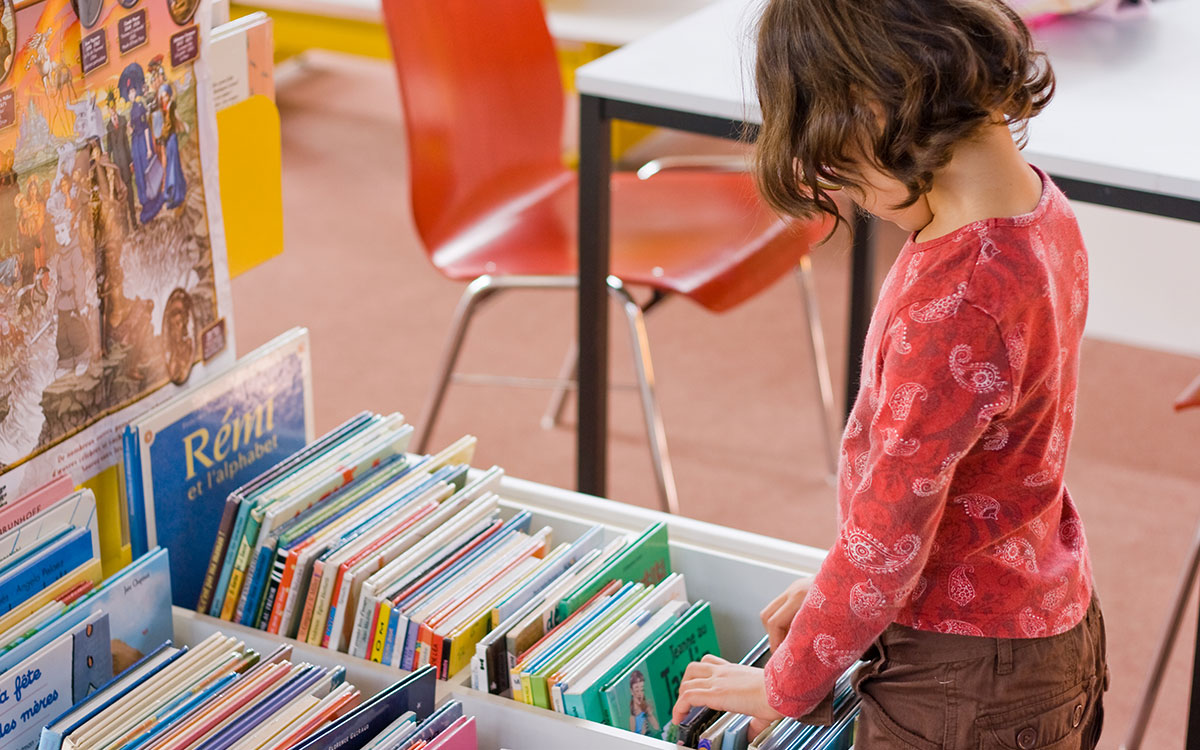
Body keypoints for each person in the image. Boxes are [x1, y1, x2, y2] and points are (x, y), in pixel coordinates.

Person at [671, 1, 1108, 748]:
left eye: (834, 159)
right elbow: (967, 483)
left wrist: (784, 685)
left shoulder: (958, 303)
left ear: (876, 105)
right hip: (1036, 619)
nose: (843, 190)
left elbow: (888, 537)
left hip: (964, 683)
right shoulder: (1037, 208)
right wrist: (844, 606)